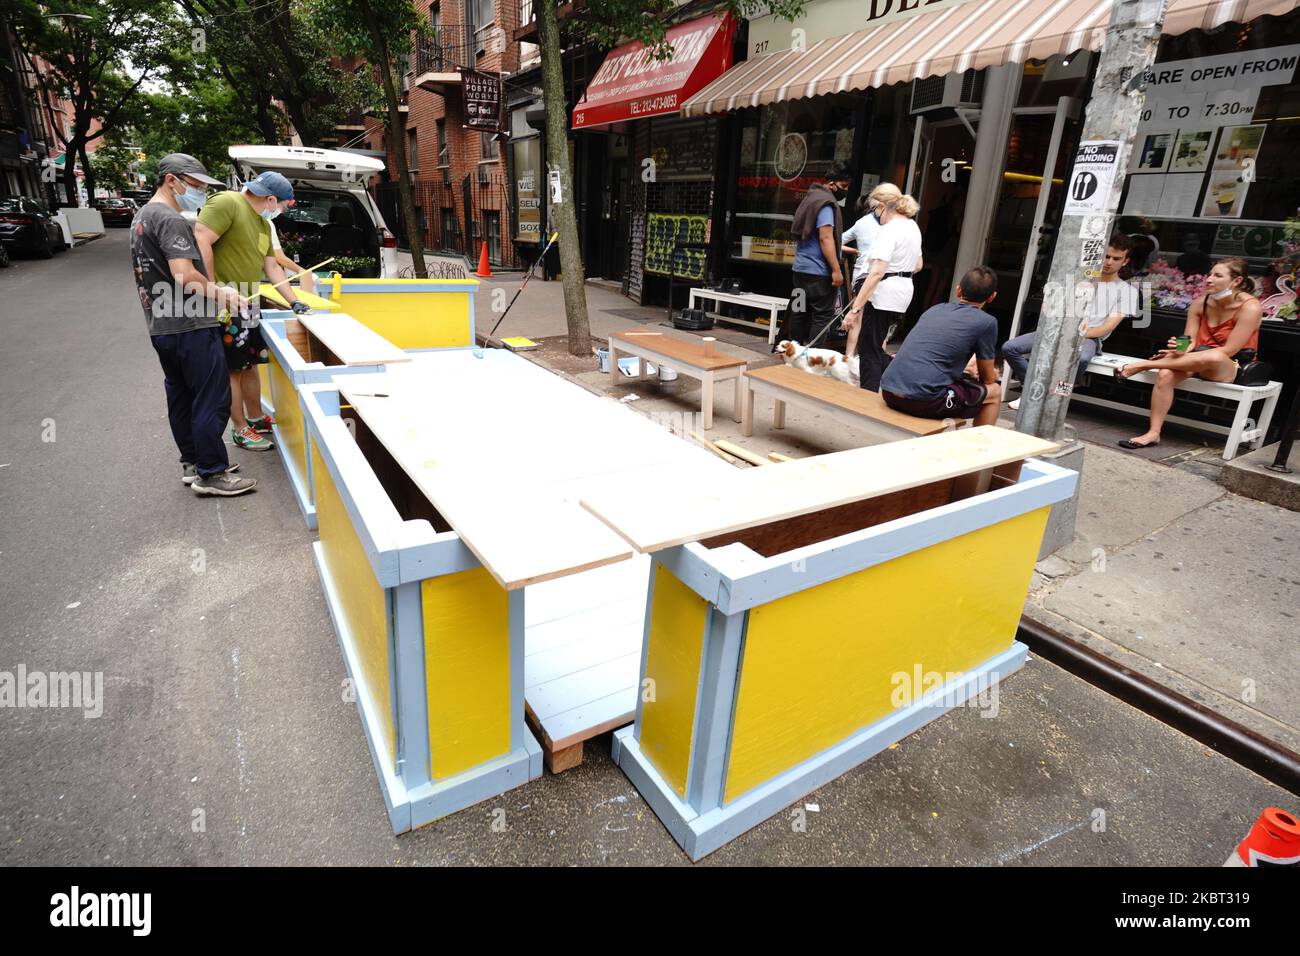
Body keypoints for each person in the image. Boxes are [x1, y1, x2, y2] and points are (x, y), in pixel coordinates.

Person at [131, 153, 256, 497]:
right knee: (211, 397)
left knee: (182, 396)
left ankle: (194, 463)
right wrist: (223, 295)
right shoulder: (169, 219)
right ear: (172, 180)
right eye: (196, 185)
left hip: (162, 325)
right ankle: (212, 473)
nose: (199, 192)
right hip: (190, 324)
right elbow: (184, 274)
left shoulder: (142, 217)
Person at [195, 171, 308, 452]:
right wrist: (214, 289)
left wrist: (293, 300)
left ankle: (255, 419)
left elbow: (271, 267)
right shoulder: (229, 203)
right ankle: (240, 429)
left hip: (248, 303)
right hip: (226, 304)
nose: (280, 210)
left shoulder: (261, 224)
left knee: (249, 364)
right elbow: (201, 239)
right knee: (233, 370)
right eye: (281, 205)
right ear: (270, 198)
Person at [1117, 257, 1263, 450]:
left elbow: (1229, 350)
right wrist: (1180, 348)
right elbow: (1189, 339)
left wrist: (1178, 357)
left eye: (1217, 276)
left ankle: (1143, 365)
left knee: (1215, 356)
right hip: (1197, 358)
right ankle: (1153, 433)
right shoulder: (1200, 303)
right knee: (1166, 374)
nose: (1209, 279)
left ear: (1236, 281)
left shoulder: (1250, 307)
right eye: (1209, 274)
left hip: (1230, 365)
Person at [1001, 234, 1138, 410]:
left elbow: (1107, 328)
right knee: (1010, 348)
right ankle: (1034, 390)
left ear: (1125, 261)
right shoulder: (1082, 278)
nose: (1109, 262)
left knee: (1081, 358)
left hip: (1089, 337)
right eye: (1106, 256)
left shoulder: (1127, 291)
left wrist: (1076, 334)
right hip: (1059, 329)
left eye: (1116, 258)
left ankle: (1055, 397)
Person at [879, 265, 1002, 427]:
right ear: (992, 297)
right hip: (922, 401)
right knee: (994, 392)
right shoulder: (987, 322)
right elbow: (987, 378)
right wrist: (991, 374)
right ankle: (978, 447)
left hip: (888, 391)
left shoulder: (935, 309)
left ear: (958, 290)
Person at [844, 182, 923, 391]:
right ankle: (900, 374)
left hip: (882, 295)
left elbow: (876, 272)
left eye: (874, 209)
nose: (876, 215)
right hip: (903, 293)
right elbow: (918, 265)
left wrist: (854, 309)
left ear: (881, 206)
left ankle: (867, 398)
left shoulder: (889, 230)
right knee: (877, 345)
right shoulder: (912, 227)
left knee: (869, 349)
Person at [784, 163, 852, 350]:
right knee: (822, 316)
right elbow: (825, 237)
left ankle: (793, 354)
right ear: (831, 184)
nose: (845, 191)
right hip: (819, 273)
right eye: (844, 186)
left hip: (799, 270)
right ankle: (812, 361)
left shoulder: (809, 199)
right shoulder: (826, 204)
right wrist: (836, 270)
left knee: (798, 312)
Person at [839, 193, 882, 299]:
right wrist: (855, 251)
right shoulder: (888, 224)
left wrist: (856, 251)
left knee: (857, 309)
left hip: (861, 273)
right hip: (874, 273)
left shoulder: (861, 223)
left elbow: (836, 242)